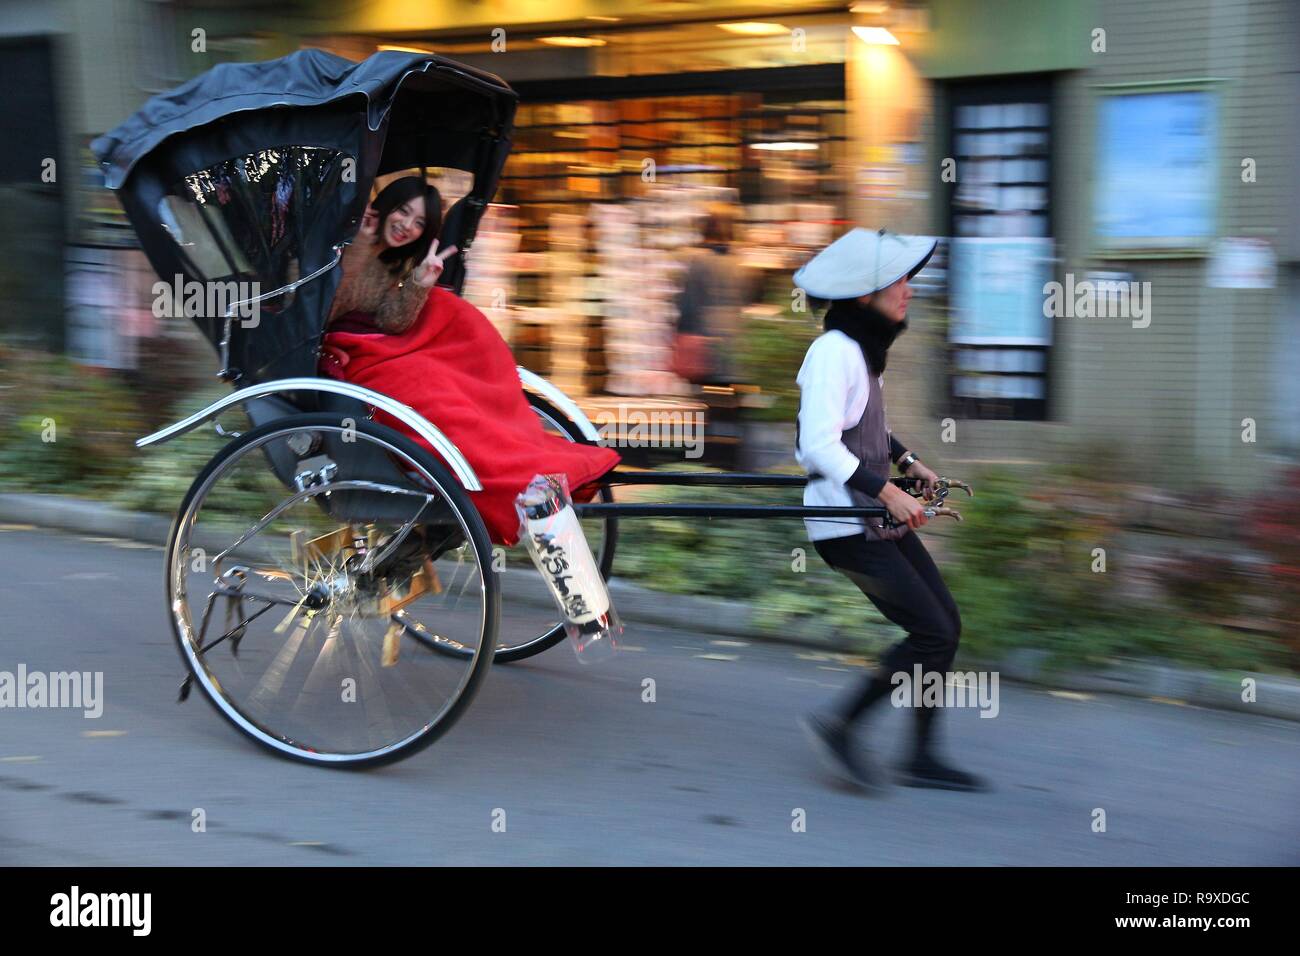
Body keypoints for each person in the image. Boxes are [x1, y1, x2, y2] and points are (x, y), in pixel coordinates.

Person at [319, 175, 620, 546]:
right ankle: (489, 472)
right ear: (385, 208)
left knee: (450, 365)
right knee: (428, 389)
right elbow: (329, 308)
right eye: (403, 212)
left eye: (419, 223)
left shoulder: (392, 264)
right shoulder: (344, 250)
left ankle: (513, 452)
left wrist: (420, 281)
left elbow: (392, 322)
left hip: (384, 348)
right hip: (353, 359)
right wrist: (361, 244)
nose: (407, 227)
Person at [792, 227, 987, 793]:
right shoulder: (832, 353)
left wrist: (908, 461)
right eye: (897, 281)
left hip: (873, 514)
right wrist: (888, 491)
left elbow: (867, 426)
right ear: (863, 295)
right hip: (844, 523)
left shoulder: (860, 351)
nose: (908, 289)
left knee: (945, 628)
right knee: (928, 631)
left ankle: (920, 756)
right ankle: (839, 726)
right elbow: (817, 445)